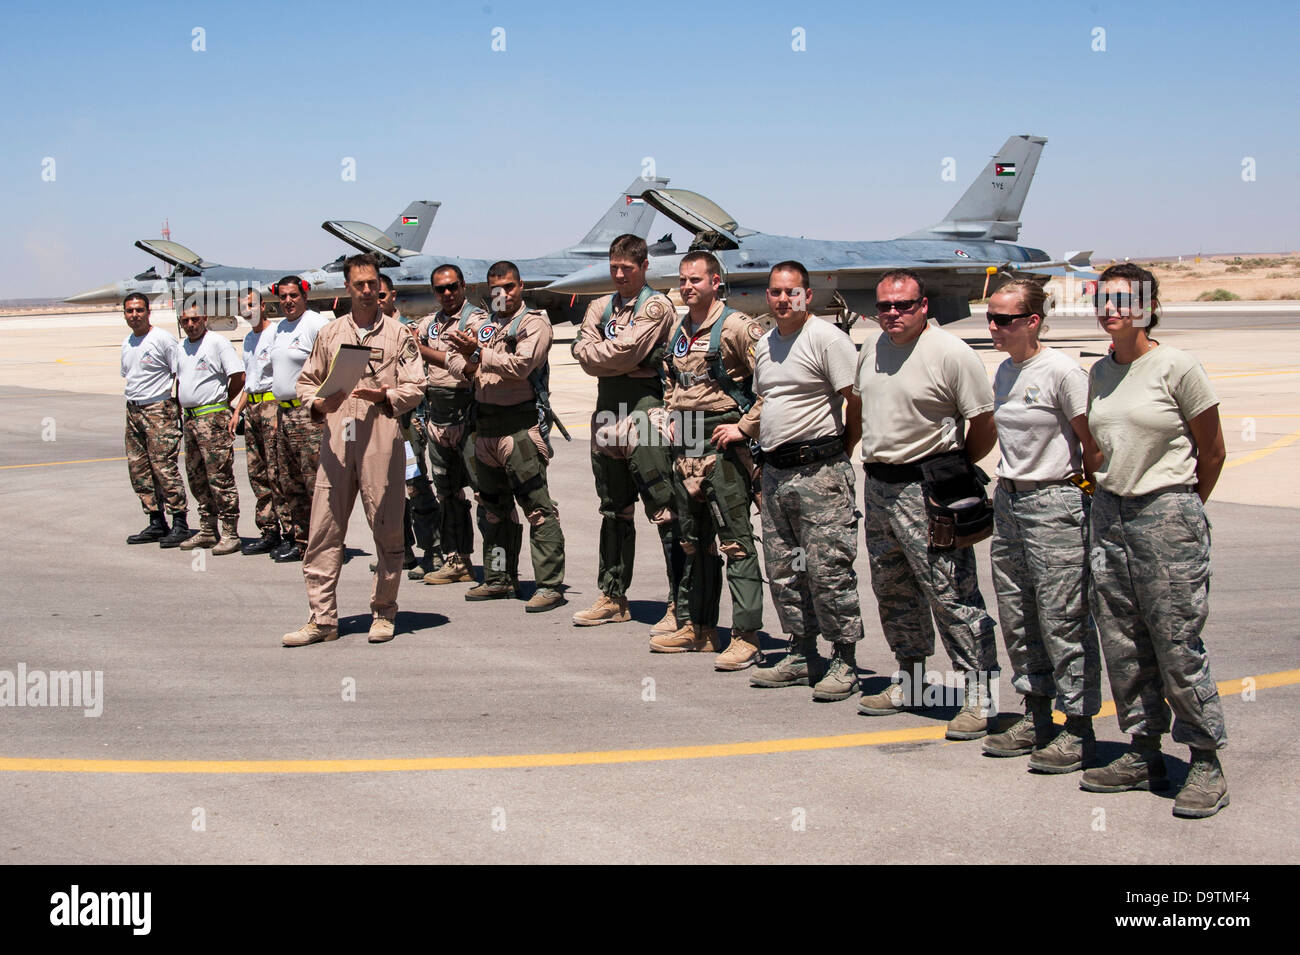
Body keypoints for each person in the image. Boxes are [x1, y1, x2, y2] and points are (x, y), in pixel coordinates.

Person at [1080, 263, 1229, 818]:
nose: (1111, 308)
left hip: (1165, 515)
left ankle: (1206, 760)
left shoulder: (1177, 366)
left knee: (1176, 643)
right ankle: (1144, 751)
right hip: (1109, 513)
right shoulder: (1099, 372)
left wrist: (1180, 511)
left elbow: (1210, 452)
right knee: (1122, 641)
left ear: (1147, 305)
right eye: (1103, 299)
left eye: (1124, 299)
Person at [853, 269, 1000, 740]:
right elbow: (859, 408)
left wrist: (952, 469)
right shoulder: (872, 348)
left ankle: (978, 692)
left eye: (903, 305)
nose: (892, 314)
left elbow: (983, 424)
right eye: (884, 307)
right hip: (879, 487)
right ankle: (913, 679)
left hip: (928, 490)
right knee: (893, 588)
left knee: (951, 591)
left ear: (924, 306)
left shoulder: (951, 353)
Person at [981, 279, 1102, 770]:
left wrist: (1086, 497)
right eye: (990, 317)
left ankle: (1078, 727)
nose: (994, 327)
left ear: (1032, 322)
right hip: (1009, 501)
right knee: (1017, 613)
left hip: (1055, 503)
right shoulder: (1006, 371)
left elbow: (1091, 444)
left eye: (1004, 319)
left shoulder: (1062, 372)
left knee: (1063, 616)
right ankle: (1036, 713)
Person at [281, 253, 426, 647]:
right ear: (347, 287)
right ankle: (322, 619)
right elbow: (306, 382)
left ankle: (384, 612)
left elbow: (416, 386)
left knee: (387, 528)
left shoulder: (398, 335)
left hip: (381, 437)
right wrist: (317, 404)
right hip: (337, 438)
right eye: (359, 284)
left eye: (373, 284)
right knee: (324, 531)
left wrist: (386, 395)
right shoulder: (330, 335)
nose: (367, 291)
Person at [747, 261, 864, 699]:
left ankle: (844, 659)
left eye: (791, 292)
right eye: (775, 292)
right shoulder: (766, 344)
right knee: (784, 570)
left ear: (807, 296)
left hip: (820, 473)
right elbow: (768, 401)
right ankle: (800, 653)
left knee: (829, 570)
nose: (782, 299)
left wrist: (838, 454)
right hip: (776, 474)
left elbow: (855, 402)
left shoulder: (827, 340)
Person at [650, 251, 765, 670]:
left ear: (716, 282)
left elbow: (771, 383)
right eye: (682, 280)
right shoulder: (682, 328)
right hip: (686, 449)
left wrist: (747, 427)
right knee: (693, 543)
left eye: (695, 280)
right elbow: (671, 377)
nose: (686, 287)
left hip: (722, 447)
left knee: (735, 543)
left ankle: (746, 635)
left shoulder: (736, 327)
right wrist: (667, 413)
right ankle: (699, 628)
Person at [441, 261, 567, 612]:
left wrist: (478, 356)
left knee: (538, 509)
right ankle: (499, 578)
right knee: (493, 510)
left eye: (510, 287)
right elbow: (452, 361)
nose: (504, 294)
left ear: (521, 286)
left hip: (520, 426)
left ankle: (549, 585)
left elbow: (521, 366)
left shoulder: (534, 323)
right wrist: (472, 361)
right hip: (485, 427)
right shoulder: (483, 325)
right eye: (497, 288)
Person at [571, 234, 682, 630]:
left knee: (665, 509)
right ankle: (613, 595)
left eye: (627, 268)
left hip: (644, 411)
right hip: (606, 413)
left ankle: (679, 605)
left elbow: (621, 352)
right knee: (613, 509)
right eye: (614, 267)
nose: (619, 274)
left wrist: (609, 355)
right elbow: (583, 354)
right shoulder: (600, 306)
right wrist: (612, 358)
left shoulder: (656, 305)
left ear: (644, 267)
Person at [417, 264, 487, 586]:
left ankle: (498, 566)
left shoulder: (477, 321)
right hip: (438, 418)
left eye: (452, 287)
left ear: (464, 286)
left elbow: (470, 364)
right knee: (447, 492)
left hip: (469, 416)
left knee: (487, 494)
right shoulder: (428, 324)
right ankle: (456, 560)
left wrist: (426, 353)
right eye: (440, 289)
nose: (447, 294)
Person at [380, 273, 441, 578]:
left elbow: (419, 379)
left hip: (407, 421)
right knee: (387, 489)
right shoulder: (368, 333)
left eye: (381, 295)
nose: (376, 301)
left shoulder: (408, 330)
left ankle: (433, 550)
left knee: (414, 485)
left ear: (392, 295)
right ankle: (400, 550)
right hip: (379, 421)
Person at [120, 293, 191, 548]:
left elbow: (180, 374)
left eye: (139, 310)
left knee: (164, 466)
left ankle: (180, 522)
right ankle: (155, 520)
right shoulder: (127, 343)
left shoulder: (162, 339)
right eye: (129, 311)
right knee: (139, 468)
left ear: (148, 312)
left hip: (159, 409)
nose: (134, 315)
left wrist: (178, 410)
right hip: (134, 410)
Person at [173, 301, 244, 554]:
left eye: (195, 320)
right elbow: (179, 380)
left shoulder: (217, 343)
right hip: (191, 420)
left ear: (205, 318)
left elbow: (238, 377)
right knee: (197, 477)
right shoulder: (180, 347)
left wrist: (223, 403)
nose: (190, 325)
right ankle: (206, 529)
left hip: (212, 418)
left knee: (219, 477)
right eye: (185, 321)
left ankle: (230, 532)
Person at [268, 275, 330, 563]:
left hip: (309, 416)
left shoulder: (315, 324)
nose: (288, 301)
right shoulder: (280, 328)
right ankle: (303, 541)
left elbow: (335, 362)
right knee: (290, 482)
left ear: (304, 296)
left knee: (315, 484)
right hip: (285, 414)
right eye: (283, 297)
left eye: (293, 295)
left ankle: (328, 545)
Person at [231, 288, 283, 555]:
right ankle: (269, 530)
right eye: (243, 307)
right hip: (252, 407)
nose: (247, 310)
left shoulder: (275, 334)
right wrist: (237, 411)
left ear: (263, 306)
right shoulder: (249, 339)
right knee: (257, 472)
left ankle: (291, 531)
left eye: (251, 305)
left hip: (272, 406)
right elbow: (250, 382)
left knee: (278, 472)